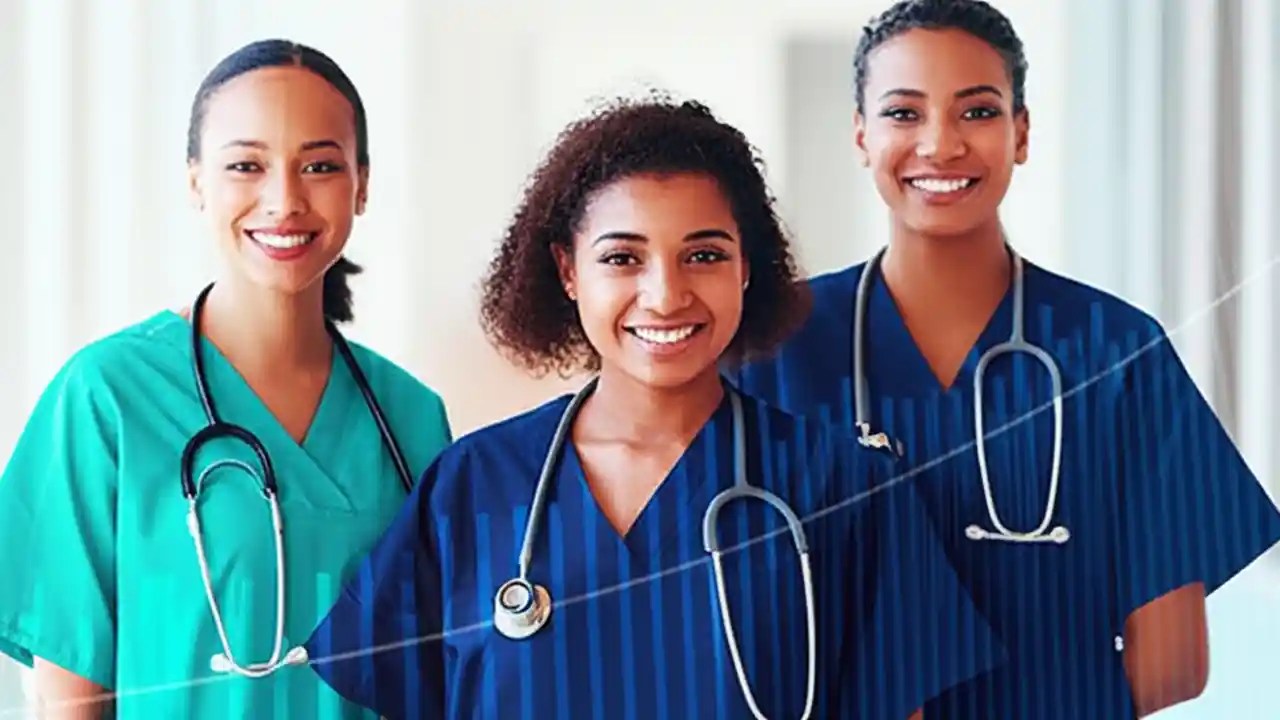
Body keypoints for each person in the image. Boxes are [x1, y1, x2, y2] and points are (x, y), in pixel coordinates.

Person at [304, 94, 1004, 720]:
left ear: (747, 268)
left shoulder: (842, 487)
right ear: (568, 271)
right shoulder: (474, 487)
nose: (666, 295)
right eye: (622, 258)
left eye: (703, 255)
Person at [732, 1, 1280, 718]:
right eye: (903, 113)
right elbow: (731, 619)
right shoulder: (777, 349)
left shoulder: (1116, 351)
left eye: (978, 112)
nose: (941, 144)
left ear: (1021, 133)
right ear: (861, 134)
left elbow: (1174, 662)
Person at [0, 39, 453, 719]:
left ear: (361, 184)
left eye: (320, 165)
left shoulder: (412, 419)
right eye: (246, 165)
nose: (285, 199)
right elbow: (68, 698)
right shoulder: (108, 397)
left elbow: (439, 671)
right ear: (195, 181)